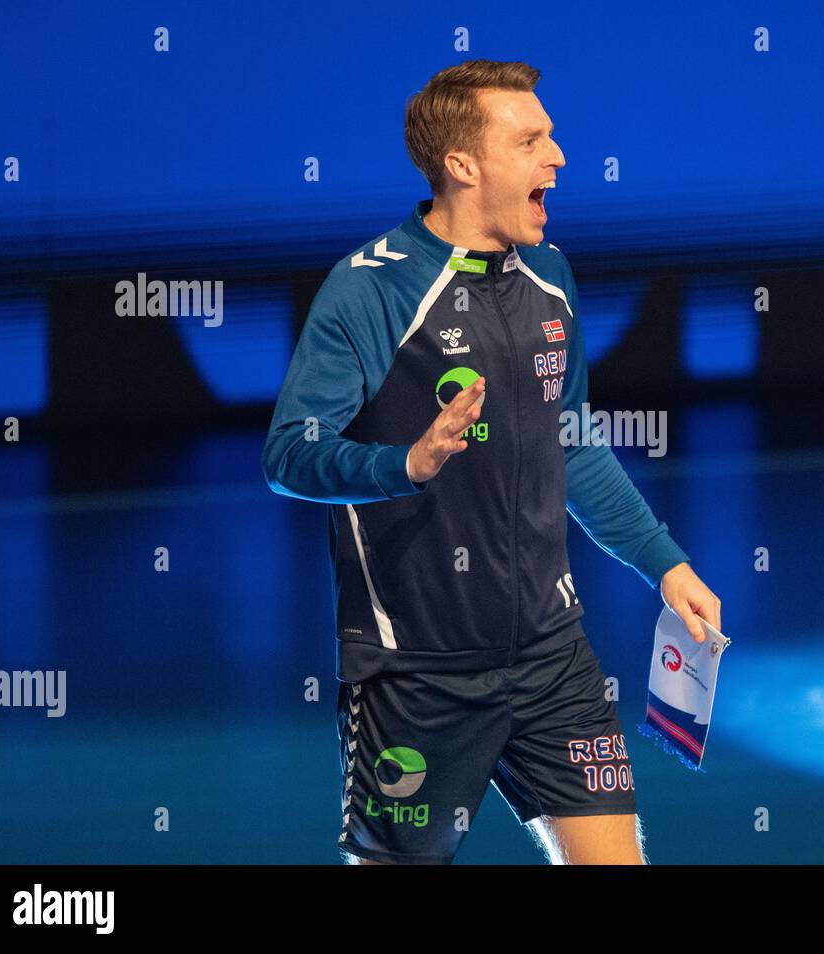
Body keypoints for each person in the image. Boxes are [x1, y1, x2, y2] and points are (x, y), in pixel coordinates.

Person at [261, 59, 721, 864]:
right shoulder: (368, 291)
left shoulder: (551, 277)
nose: (560, 157)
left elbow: (569, 441)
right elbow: (289, 457)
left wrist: (665, 563)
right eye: (532, 140)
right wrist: (403, 463)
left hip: (553, 658)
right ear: (463, 166)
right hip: (417, 675)